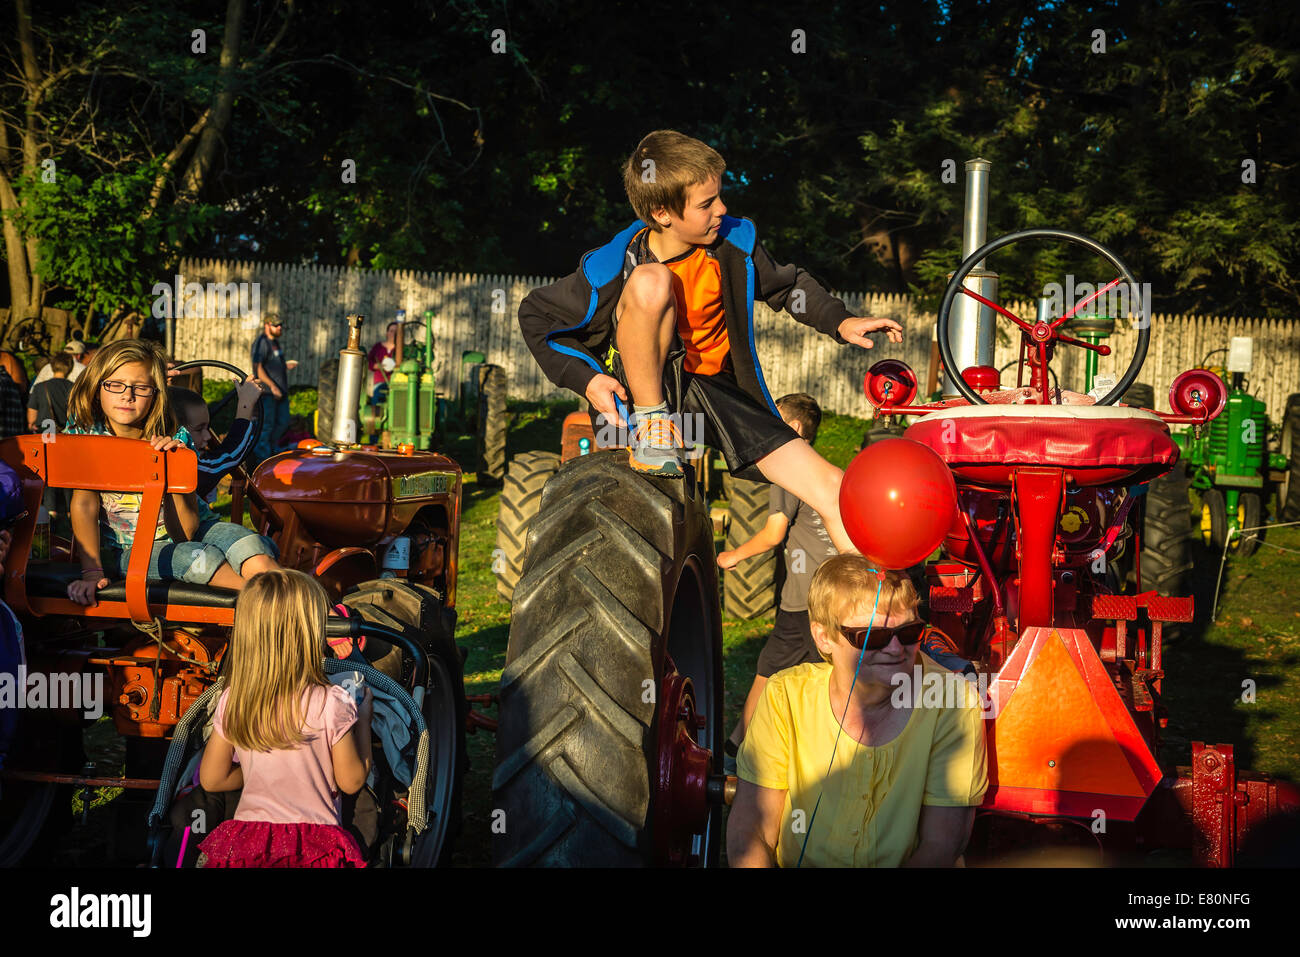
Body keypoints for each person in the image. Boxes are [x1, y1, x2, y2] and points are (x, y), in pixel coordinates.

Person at [517, 130, 902, 554]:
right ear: (663, 213)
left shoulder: (730, 245)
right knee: (652, 282)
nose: (721, 210)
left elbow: (788, 285)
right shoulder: (615, 265)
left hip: (713, 391)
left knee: (833, 488)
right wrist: (587, 380)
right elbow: (536, 314)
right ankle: (652, 427)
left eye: (719, 197)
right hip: (634, 401)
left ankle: (873, 606)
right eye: (706, 204)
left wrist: (841, 321)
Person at [727, 556, 988, 867]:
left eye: (909, 632)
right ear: (823, 637)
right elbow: (753, 828)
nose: (894, 649)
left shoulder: (952, 702)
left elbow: (942, 844)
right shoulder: (785, 696)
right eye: (873, 637)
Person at [61, 339, 279, 604]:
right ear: (97, 388)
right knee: (199, 558)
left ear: (155, 393)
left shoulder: (174, 438)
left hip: (191, 526)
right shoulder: (88, 436)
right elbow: (83, 503)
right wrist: (92, 573)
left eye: (140, 387)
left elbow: (185, 534)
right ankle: (270, 605)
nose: (127, 395)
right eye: (115, 384)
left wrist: (176, 469)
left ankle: (306, 609)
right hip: (128, 547)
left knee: (248, 543)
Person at [197, 569, 372, 867]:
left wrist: (257, 774)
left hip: (249, 844)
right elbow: (352, 780)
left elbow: (212, 779)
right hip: (313, 845)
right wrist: (364, 721)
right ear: (309, 632)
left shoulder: (234, 699)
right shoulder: (331, 702)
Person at [718, 393, 836, 765]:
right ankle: (745, 744)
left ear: (794, 428)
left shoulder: (786, 471)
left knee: (769, 672)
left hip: (805, 598)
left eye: (775, 420)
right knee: (815, 670)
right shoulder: (822, 469)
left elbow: (773, 534)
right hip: (832, 592)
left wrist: (733, 555)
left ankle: (740, 749)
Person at [168, 379, 266, 502]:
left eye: (207, 428)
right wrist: (245, 406)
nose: (208, 436)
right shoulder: (189, 471)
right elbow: (229, 455)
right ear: (173, 433)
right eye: (199, 429)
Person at [26, 351, 77, 520]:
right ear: (69, 368)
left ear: (52, 367)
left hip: (46, 431)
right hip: (68, 434)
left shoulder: (41, 387)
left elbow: (32, 416)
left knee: (48, 470)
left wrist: (32, 425)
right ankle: (71, 511)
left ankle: (50, 510)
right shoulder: (73, 387)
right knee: (68, 472)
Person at [250, 314, 297, 461]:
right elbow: (258, 369)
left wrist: (284, 366)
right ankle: (261, 460)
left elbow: (271, 364)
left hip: (280, 392)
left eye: (280, 325)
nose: (279, 328)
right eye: (276, 325)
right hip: (268, 393)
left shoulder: (274, 342)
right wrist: (272, 386)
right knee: (266, 427)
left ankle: (270, 452)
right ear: (267, 325)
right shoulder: (261, 342)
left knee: (283, 422)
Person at [367, 321, 399, 402]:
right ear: (387, 333)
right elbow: (368, 361)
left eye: (396, 331)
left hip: (397, 383)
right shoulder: (378, 347)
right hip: (380, 382)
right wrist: (376, 366)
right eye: (391, 331)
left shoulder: (402, 350)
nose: (393, 334)